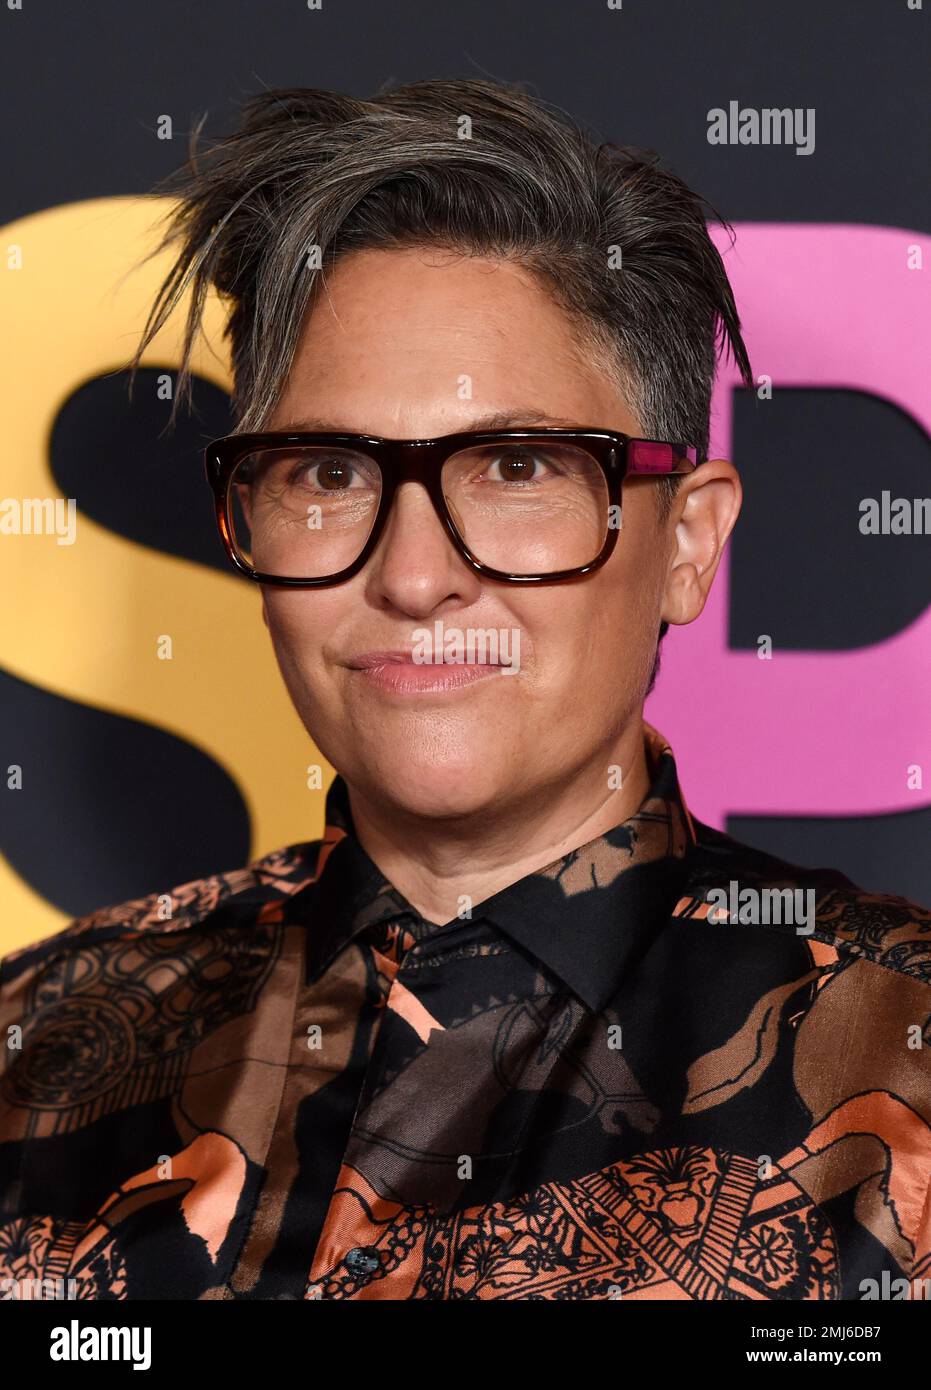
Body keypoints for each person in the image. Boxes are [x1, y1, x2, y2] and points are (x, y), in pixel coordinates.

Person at [1, 78, 928, 1303]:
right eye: (327, 471)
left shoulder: (899, 1051)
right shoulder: (41, 1042)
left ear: (688, 543)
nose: (415, 575)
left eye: (516, 465)